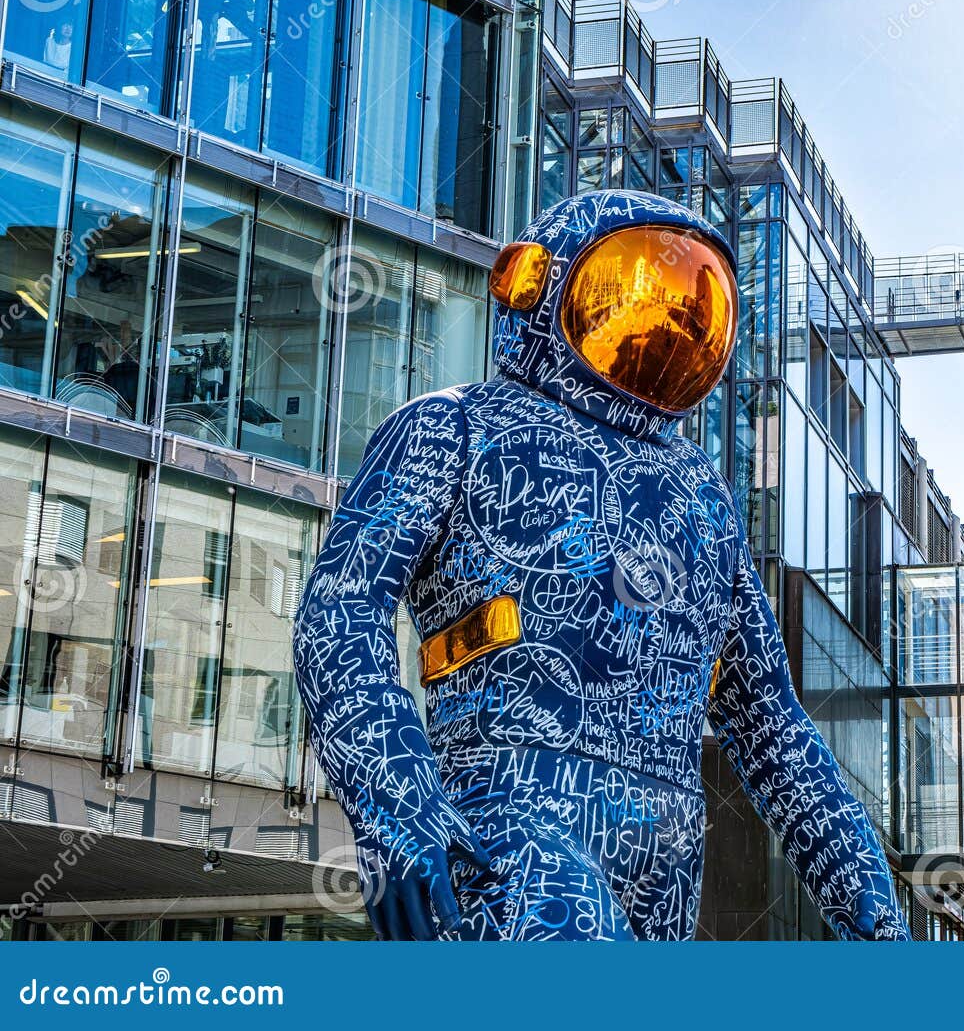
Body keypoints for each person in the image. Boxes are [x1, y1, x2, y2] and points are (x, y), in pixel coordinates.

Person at [293, 190, 908, 941]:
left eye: (692, 299)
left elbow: (772, 724)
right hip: (515, 828)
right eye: (633, 284)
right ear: (535, 283)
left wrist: (871, 908)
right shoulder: (451, 428)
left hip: (670, 863)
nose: (669, 320)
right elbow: (341, 610)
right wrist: (398, 803)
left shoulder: (704, 498)